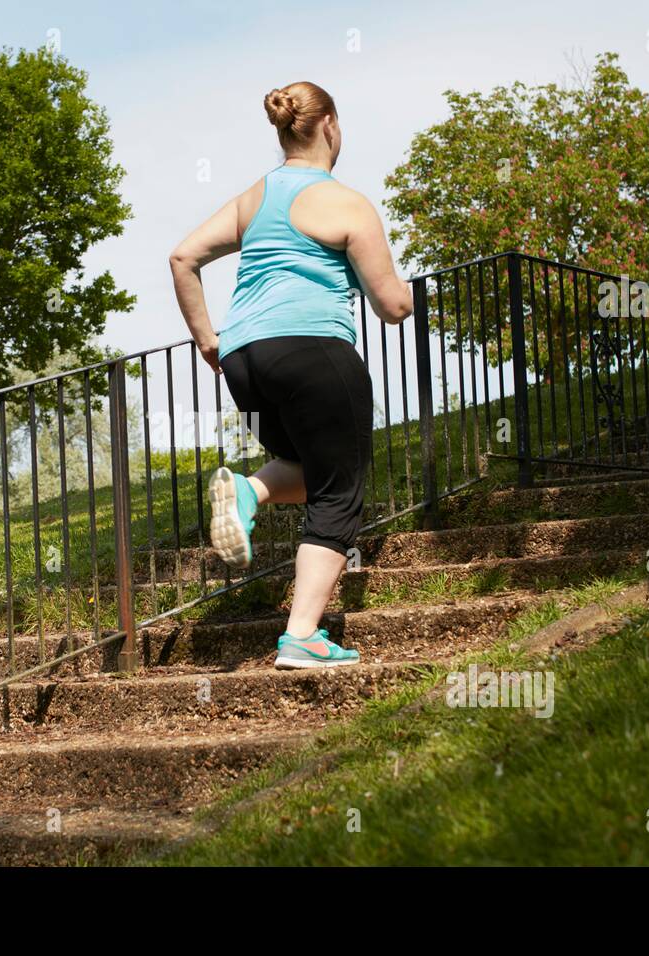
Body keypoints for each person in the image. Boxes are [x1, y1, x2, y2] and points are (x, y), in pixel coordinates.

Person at [168, 81, 412, 670]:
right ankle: (301, 635)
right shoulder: (346, 203)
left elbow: (183, 257)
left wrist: (208, 339)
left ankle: (249, 491)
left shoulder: (254, 198)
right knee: (340, 492)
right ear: (329, 124)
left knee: (311, 468)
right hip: (314, 352)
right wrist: (397, 288)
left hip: (246, 360)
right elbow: (394, 306)